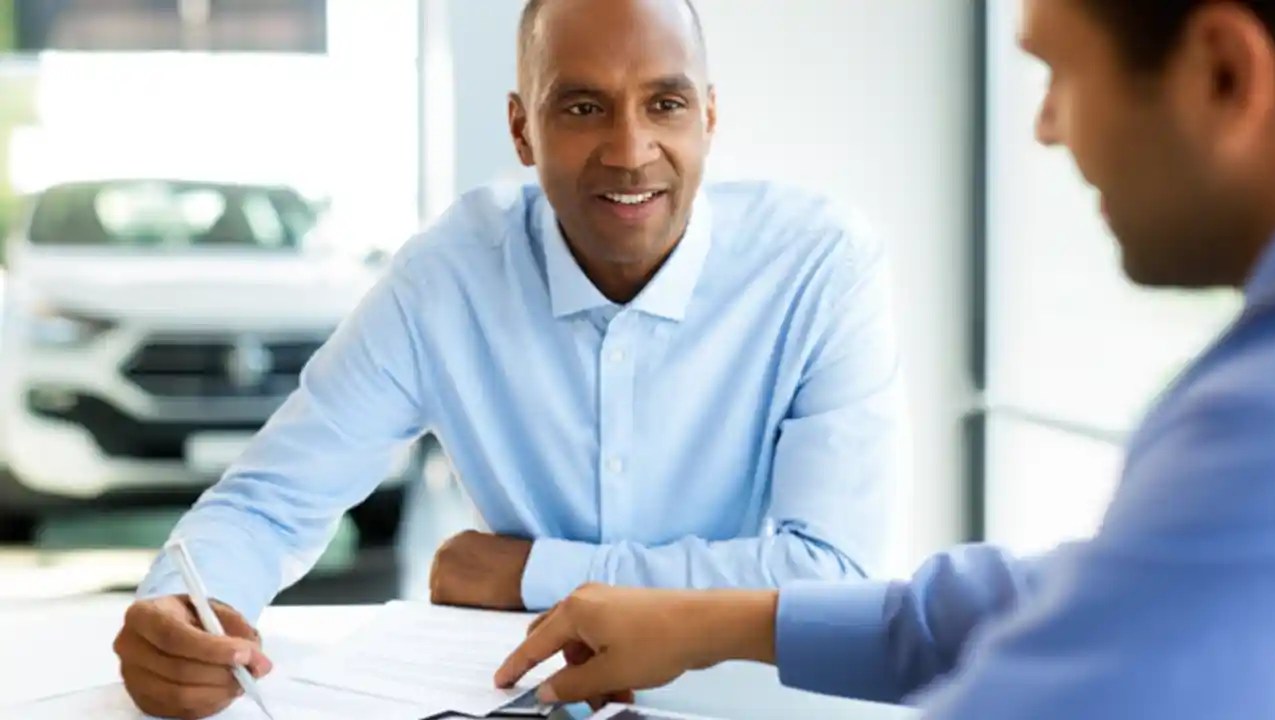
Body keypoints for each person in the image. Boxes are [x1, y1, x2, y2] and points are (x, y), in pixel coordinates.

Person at [111, 0, 902, 717]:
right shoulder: (449, 277)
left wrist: (531, 573)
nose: (631, 151)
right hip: (526, 703)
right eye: (583, 107)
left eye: (666, 104)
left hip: (749, 703)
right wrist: (184, 603)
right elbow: (271, 502)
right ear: (523, 129)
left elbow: (830, 577)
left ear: (709, 117)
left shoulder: (817, 267)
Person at [495, 0, 1275, 717]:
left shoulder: (1253, 426)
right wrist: (709, 622)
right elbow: (1087, 598)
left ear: (1223, 75)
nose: (1046, 126)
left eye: (1060, 74)